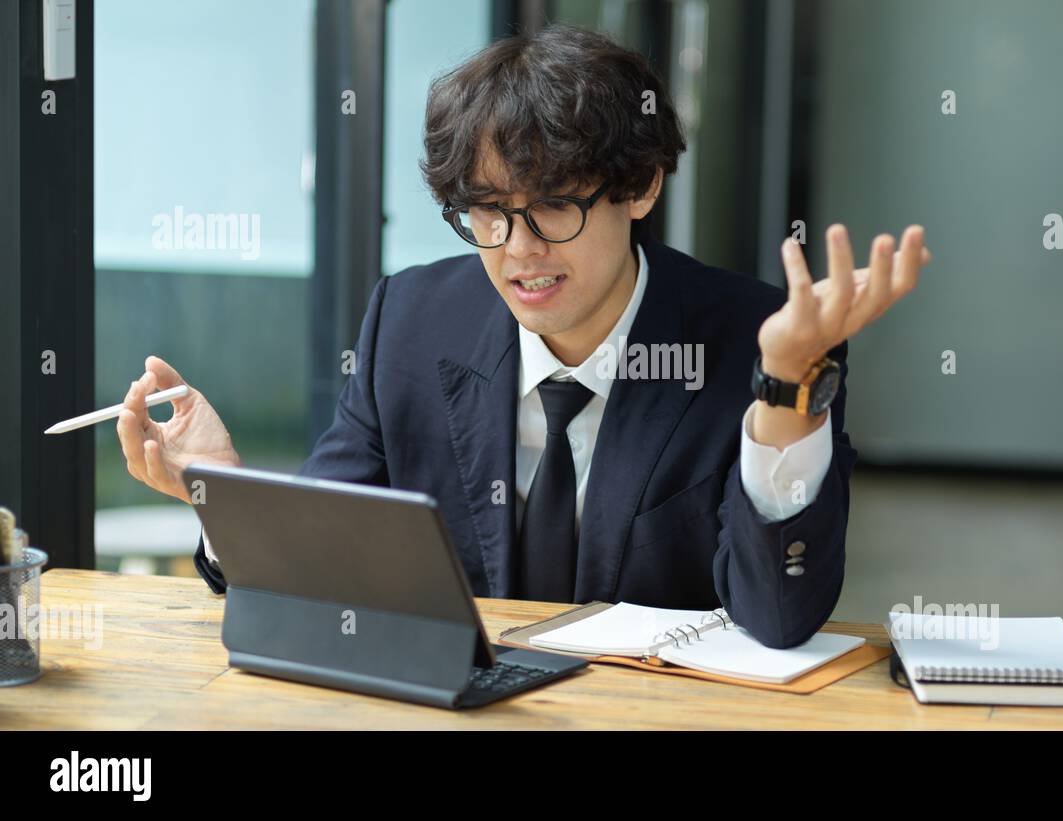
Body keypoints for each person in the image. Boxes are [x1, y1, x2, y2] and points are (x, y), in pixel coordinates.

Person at [115, 23, 929, 649]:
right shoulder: (411, 319)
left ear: (640, 185)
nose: (517, 248)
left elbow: (780, 617)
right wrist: (220, 490)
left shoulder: (761, 342)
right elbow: (330, 567)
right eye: (488, 212)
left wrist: (786, 384)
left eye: (552, 206)